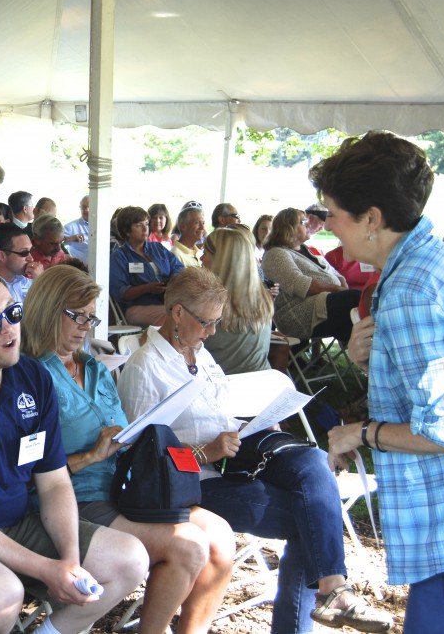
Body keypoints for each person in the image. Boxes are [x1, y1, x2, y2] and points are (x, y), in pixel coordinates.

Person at [118, 267, 393, 634]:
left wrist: (249, 424)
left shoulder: (199, 353)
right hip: (190, 483)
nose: (212, 332)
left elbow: (214, 411)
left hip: (235, 461)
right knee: (308, 518)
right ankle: (328, 596)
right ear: (178, 312)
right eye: (206, 322)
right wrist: (205, 451)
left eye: (216, 322)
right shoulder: (146, 368)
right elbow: (140, 456)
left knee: (311, 461)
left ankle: (332, 590)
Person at [0, 266, 148, 634]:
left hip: (18, 521)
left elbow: (54, 482)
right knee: (2, 592)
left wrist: (68, 562)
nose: (8, 329)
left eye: (13, 313)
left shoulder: (33, 376)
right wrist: (46, 569)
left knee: (129, 559)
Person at [312, 131, 444, 633]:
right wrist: (373, 362)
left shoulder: (411, 292)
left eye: (333, 215)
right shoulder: (437, 261)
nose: (330, 230)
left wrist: (358, 432)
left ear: (371, 218)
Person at [22, 265, 234, 634]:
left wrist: (132, 438)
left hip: (125, 487)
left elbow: (126, 438)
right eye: (76, 316)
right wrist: (91, 455)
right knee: (190, 547)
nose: (86, 326)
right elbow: (22, 471)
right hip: (76, 499)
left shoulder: (95, 368)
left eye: (91, 317)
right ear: (47, 309)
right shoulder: (31, 376)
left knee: (218, 535)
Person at [262, 207, 360, 343]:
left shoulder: (307, 249)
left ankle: (364, 354)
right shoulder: (276, 254)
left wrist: (342, 286)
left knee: (358, 308)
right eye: (303, 222)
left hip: (323, 306)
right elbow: (301, 285)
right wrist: (338, 290)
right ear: (288, 227)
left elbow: (335, 273)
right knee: (356, 299)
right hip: (299, 315)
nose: (308, 224)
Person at [200, 227, 276, 374]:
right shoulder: (263, 298)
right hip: (263, 381)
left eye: (205, 253)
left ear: (220, 259)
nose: (201, 258)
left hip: (221, 385)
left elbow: (180, 347)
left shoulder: (209, 303)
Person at [109, 205, 183, 327]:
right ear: (127, 231)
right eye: (139, 225)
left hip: (167, 302)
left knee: (190, 311)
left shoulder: (158, 248)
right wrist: (147, 288)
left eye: (147, 224)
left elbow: (179, 268)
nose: (145, 229)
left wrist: (172, 281)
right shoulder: (119, 257)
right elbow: (121, 293)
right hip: (137, 308)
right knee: (178, 315)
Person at [0, 222, 42, 304]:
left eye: (31, 250)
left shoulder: (27, 282)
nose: (31, 258)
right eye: (24, 253)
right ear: (2, 256)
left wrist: (40, 280)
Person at [172, 201, 206, 267]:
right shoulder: (175, 255)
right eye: (197, 223)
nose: (202, 227)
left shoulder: (200, 252)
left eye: (203, 223)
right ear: (183, 226)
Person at [63, 195, 90, 261]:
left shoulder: (104, 227)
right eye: (83, 207)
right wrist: (70, 238)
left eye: (90, 207)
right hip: (79, 268)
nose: (86, 210)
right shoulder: (71, 227)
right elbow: (55, 241)